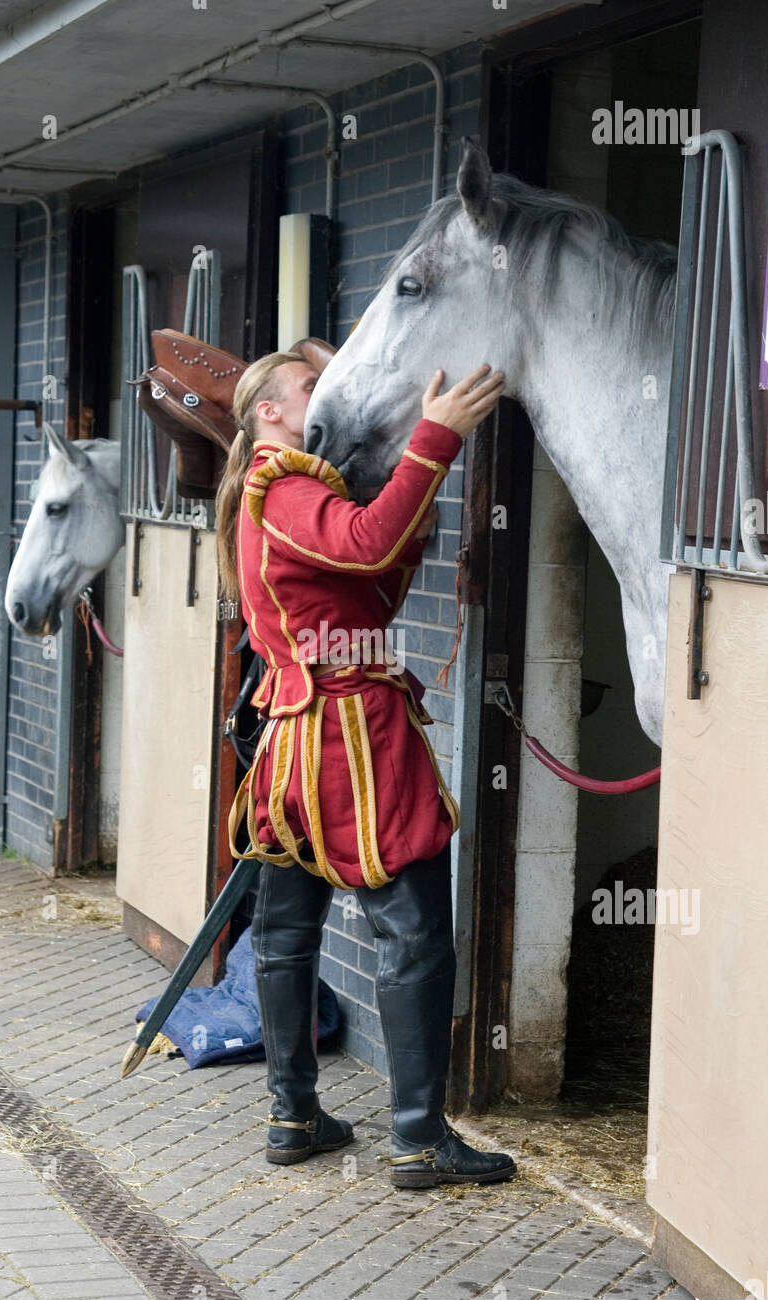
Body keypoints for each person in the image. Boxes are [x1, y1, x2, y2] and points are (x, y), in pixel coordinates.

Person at [215, 351, 517, 1189]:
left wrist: (407, 505)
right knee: (414, 933)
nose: (327, 394)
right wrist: (438, 438)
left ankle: (294, 1114)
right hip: (348, 737)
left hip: (292, 739)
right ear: (270, 413)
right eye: (310, 385)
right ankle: (419, 1140)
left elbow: (368, 585)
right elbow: (367, 538)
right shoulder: (282, 489)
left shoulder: (279, 491)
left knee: (284, 935)